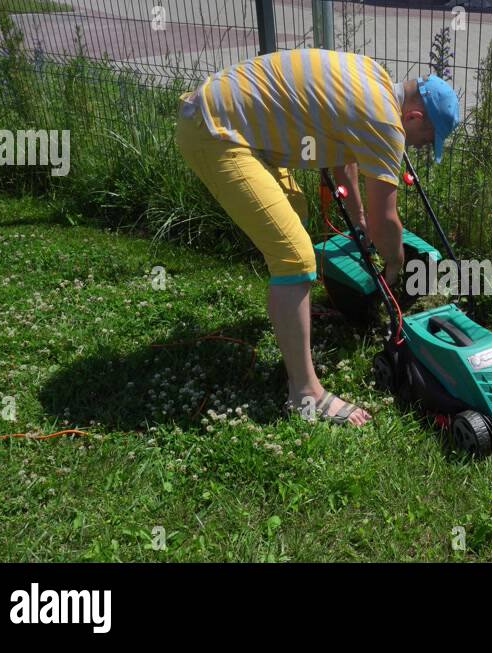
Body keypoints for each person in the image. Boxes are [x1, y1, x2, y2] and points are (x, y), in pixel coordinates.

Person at [174, 48, 460, 427]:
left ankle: (291, 312)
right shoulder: (388, 125)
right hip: (216, 133)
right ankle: (305, 393)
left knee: (295, 213)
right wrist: (394, 263)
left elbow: (341, 154)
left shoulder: (372, 75)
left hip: (219, 113)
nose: (419, 149)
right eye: (425, 140)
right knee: (295, 256)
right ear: (414, 116)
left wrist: (356, 217)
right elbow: (385, 219)